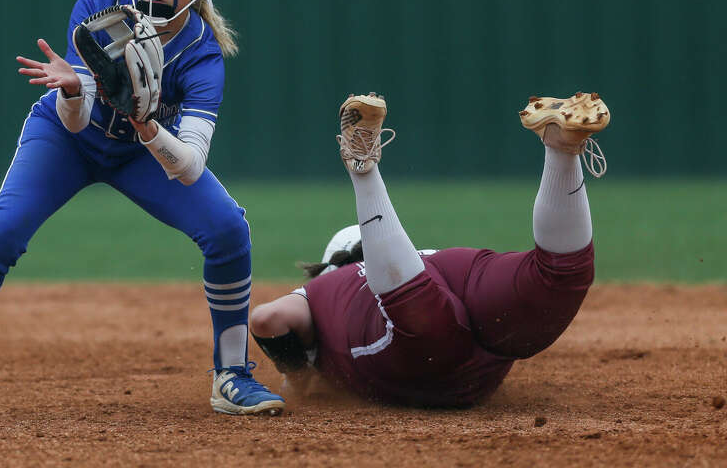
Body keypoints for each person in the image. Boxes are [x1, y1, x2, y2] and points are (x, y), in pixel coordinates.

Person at [0, 0, 283, 419]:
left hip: (144, 152)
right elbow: (74, 120)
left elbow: (188, 167)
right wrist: (72, 91)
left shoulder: (202, 53)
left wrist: (145, 126)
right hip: (68, 138)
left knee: (229, 230)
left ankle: (232, 376)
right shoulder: (100, 10)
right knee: (3, 231)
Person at [249, 90, 610, 407]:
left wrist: (299, 375)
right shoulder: (425, 258)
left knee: (423, 322)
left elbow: (266, 319)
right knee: (557, 277)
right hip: (461, 273)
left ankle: (362, 168)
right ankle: (563, 151)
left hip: (422, 342)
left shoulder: (326, 291)